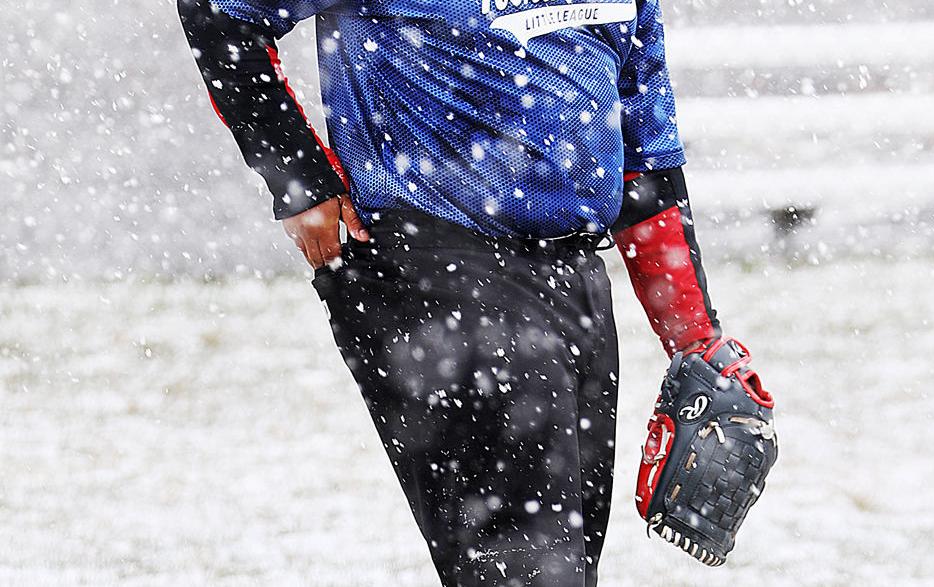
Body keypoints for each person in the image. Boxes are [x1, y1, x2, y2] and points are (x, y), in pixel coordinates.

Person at [178, 1, 738, 584]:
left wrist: (695, 337)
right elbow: (220, 13)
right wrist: (301, 177)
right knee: (526, 571)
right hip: (435, 264)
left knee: (564, 566)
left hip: (573, 274)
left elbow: (646, 160)